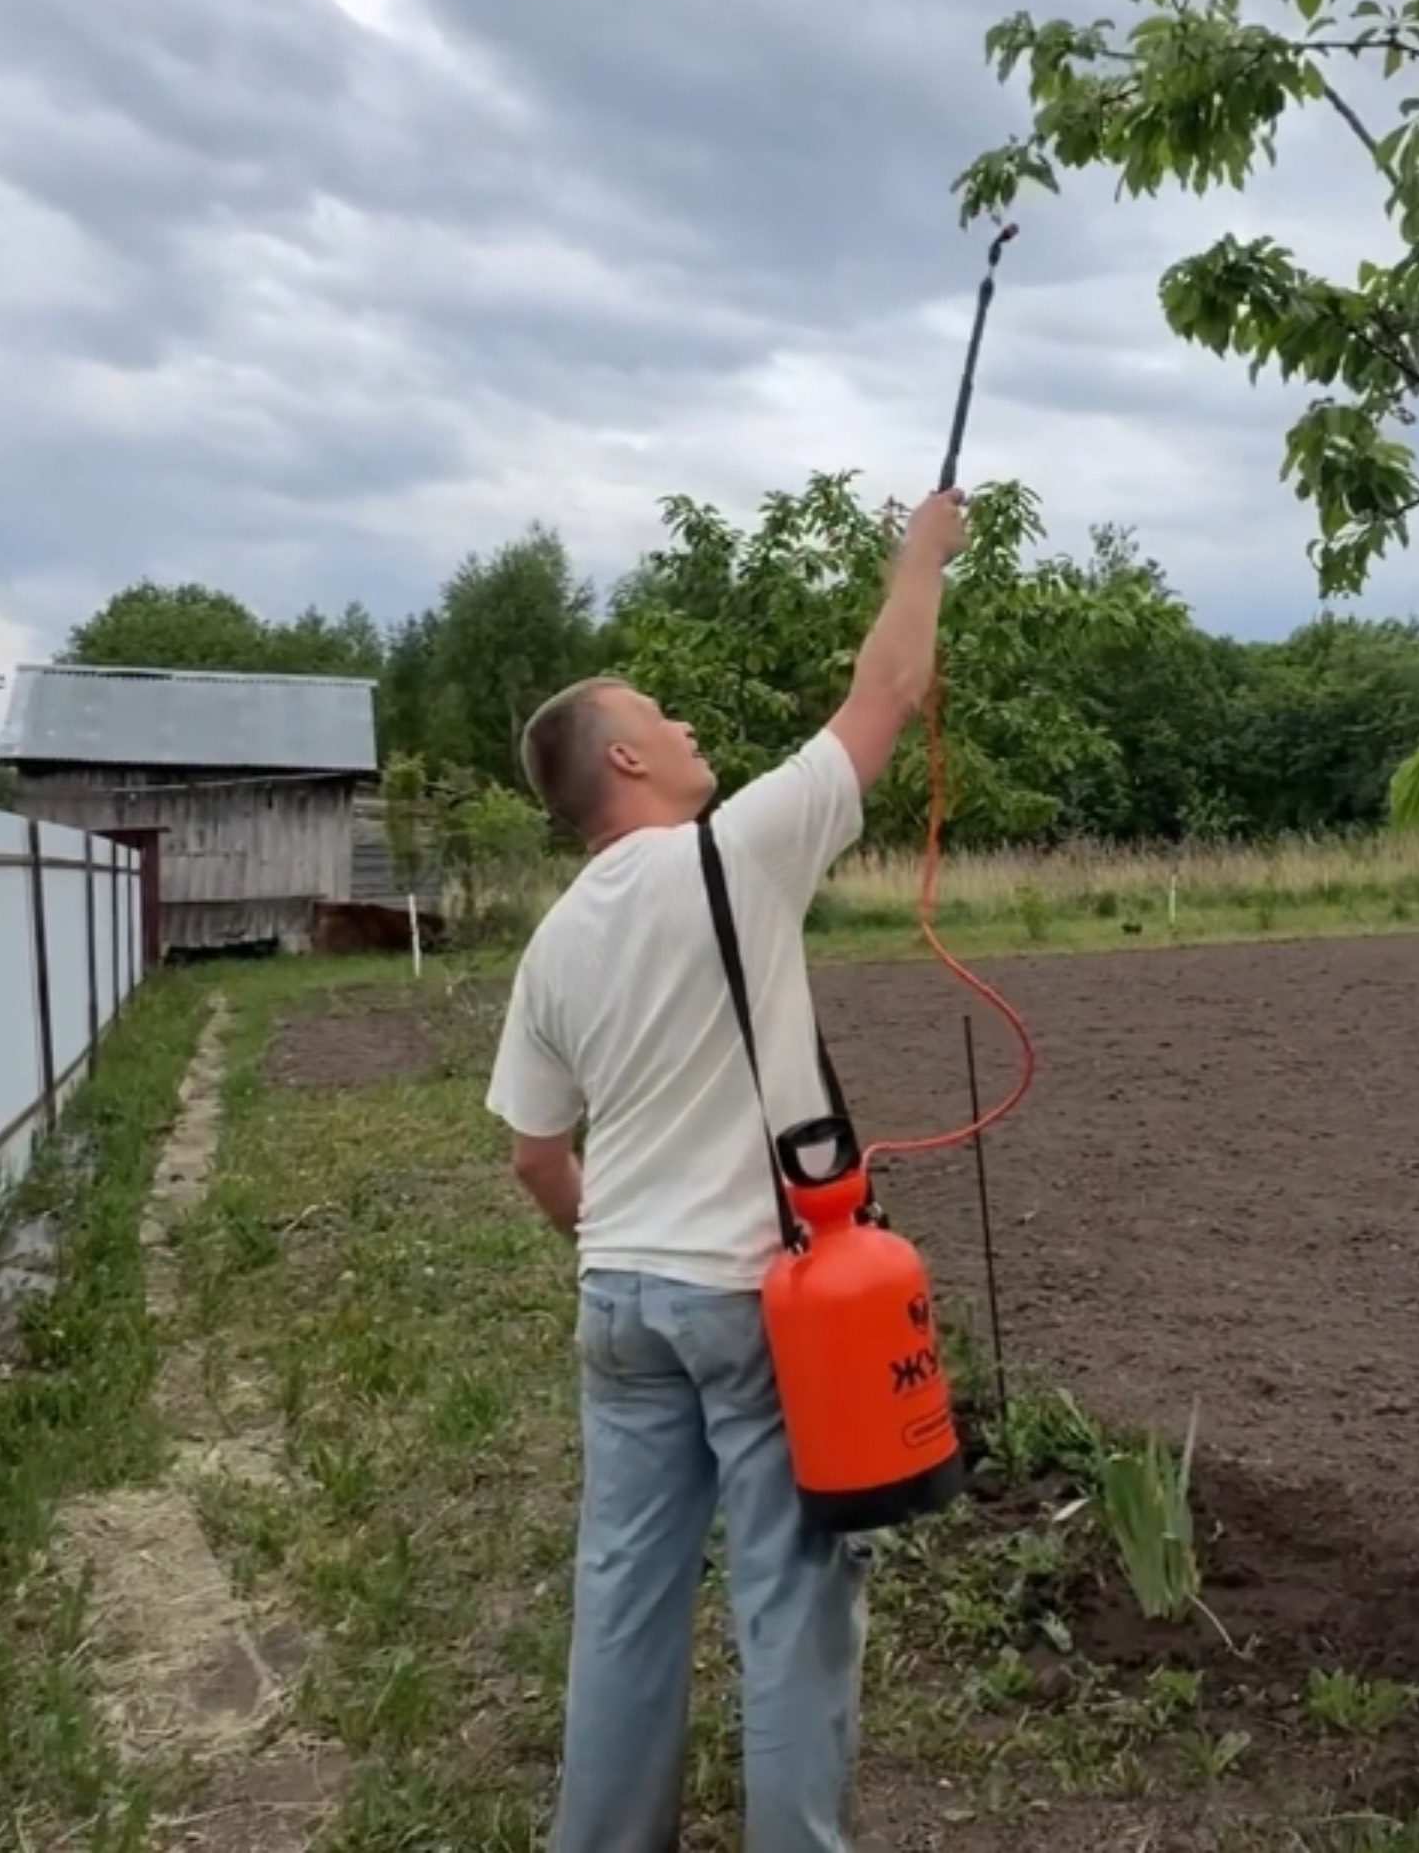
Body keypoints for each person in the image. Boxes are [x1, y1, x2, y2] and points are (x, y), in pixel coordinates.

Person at [486, 485, 970, 1853]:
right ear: (625, 760)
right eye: (666, 716)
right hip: (756, 1306)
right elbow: (885, 688)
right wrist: (918, 556)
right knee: (791, 1611)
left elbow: (533, 1153)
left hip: (618, 1300)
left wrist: (616, 1247)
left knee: (623, 1599)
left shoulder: (552, 944)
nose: (689, 729)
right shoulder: (740, 854)